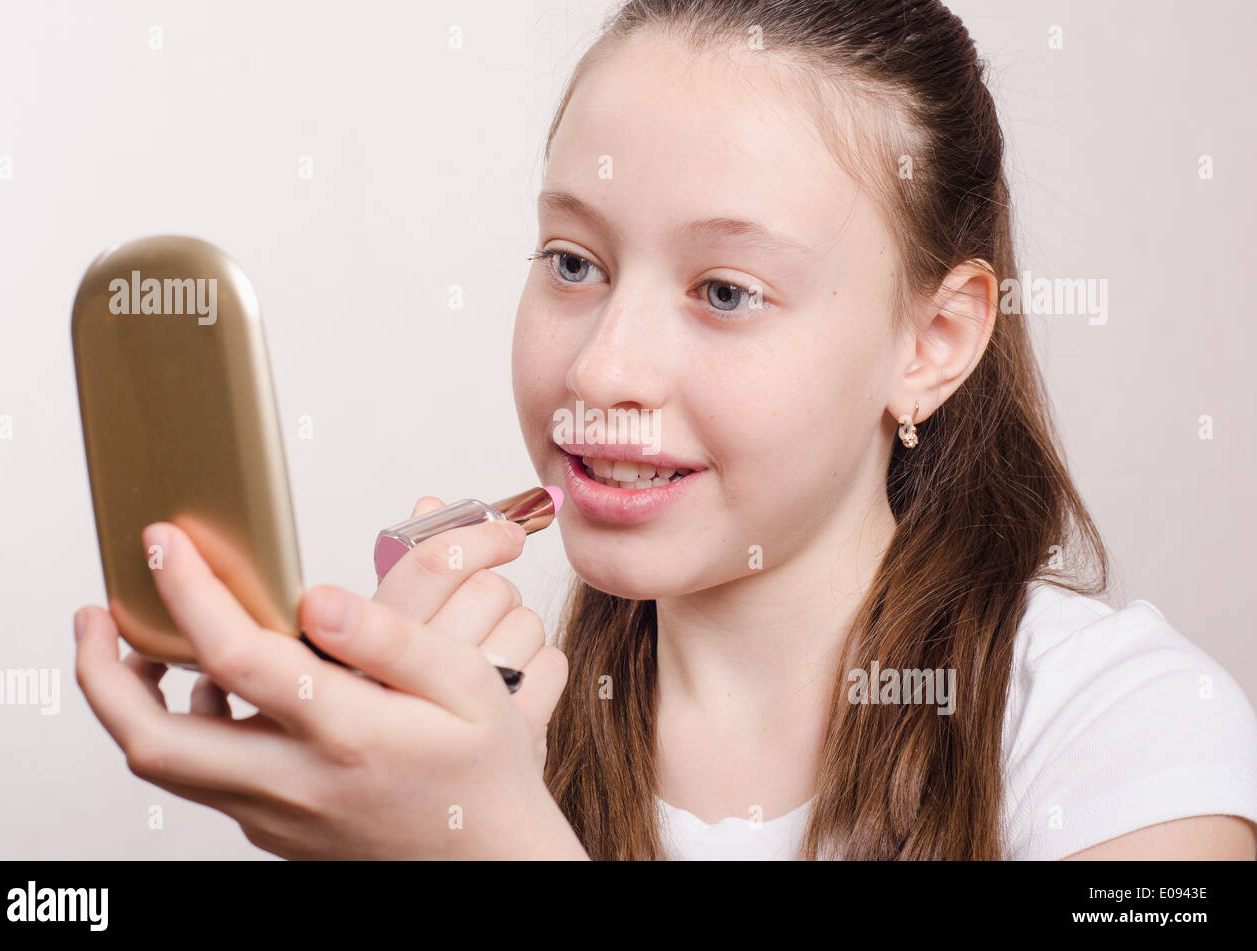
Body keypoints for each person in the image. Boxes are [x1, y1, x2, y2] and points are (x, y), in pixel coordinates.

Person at [74, 0, 1257, 860]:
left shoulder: (1126, 736)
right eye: (574, 262)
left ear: (933, 343)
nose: (601, 367)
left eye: (725, 290)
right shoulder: (495, 725)